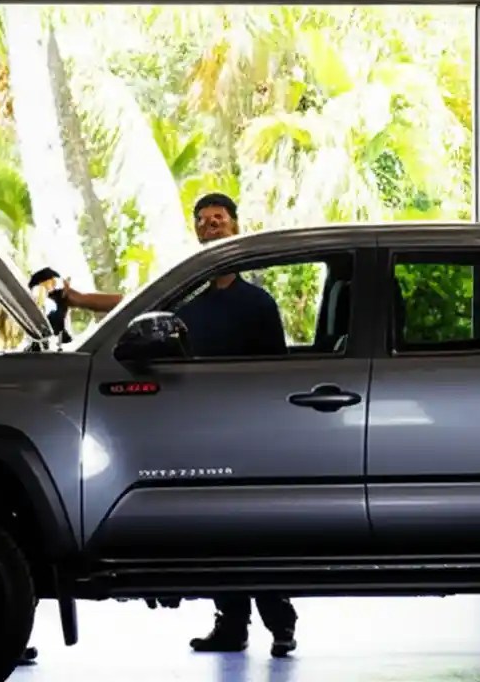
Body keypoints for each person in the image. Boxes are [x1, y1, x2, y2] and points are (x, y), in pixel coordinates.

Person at [62, 192, 298, 657]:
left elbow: (279, 371)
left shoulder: (258, 304)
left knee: (254, 534)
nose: (211, 226)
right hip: (201, 432)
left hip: (249, 434)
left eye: (219, 219)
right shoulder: (190, 301)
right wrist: (77, 300)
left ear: (236, 227)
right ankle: (231, 626)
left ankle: (281, 623)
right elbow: (134, 307)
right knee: (217, 535)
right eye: (204, 221)